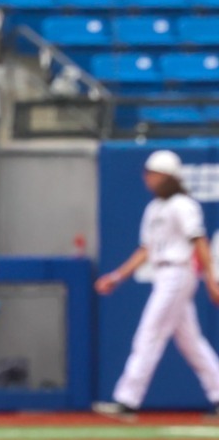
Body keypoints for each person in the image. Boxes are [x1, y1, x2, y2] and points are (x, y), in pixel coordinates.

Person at [94, 150, 219, 419]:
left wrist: (212, 278)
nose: (147, 178)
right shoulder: (154, 208)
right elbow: (145, 250)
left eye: (153, 173)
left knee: (149, 333)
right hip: (163, 274)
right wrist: (116, 277)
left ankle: (127, 401)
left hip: (178, 273)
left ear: (168, 176)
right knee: (192, 343)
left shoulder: (183, 205)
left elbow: (199, 242)